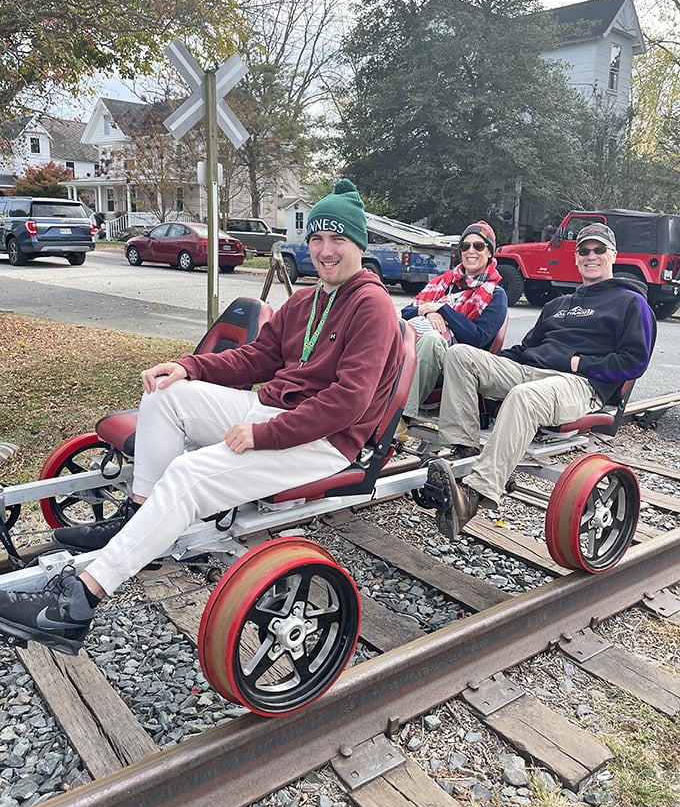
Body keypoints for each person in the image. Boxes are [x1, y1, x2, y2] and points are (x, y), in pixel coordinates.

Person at [0, 180, 406, 655]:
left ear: (359, 244)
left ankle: (75, 605)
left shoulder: (372, 305)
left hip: (325, 441)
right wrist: (188, 367)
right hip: (276, 411)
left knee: (189, 472)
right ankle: (141, 515)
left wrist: (263, 434)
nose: (325, 250)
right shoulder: (307, 299)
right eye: (316, 238)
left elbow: (348, 402)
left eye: (338, 239)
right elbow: (257, 358)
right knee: (166, 394)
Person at [425, 222, 656, 538]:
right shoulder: (557, 305)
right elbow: (525, 349)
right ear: (576, 257)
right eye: (584, 251)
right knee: (460, 355)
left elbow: (634, 362)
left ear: (613, 255)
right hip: (530, 371)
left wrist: (580, 363)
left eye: (599, 249)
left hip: (578, 383)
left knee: (524, 395)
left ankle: (473, 495)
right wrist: (493, 361)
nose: (591, 256)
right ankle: (464, 452)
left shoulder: (631, 303)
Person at [399, 221, 507, 422]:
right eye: (465, 246)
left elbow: (478, 338)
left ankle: (399, 418)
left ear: (490, 253)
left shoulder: (496, 294)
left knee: (431, 341)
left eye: (478, 246)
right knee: (388, 327)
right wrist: (428, 312)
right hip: (414, 347)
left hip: (453, 363)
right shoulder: (442, 282)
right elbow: (405, 313)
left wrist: (443, 310)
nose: (471, 251)